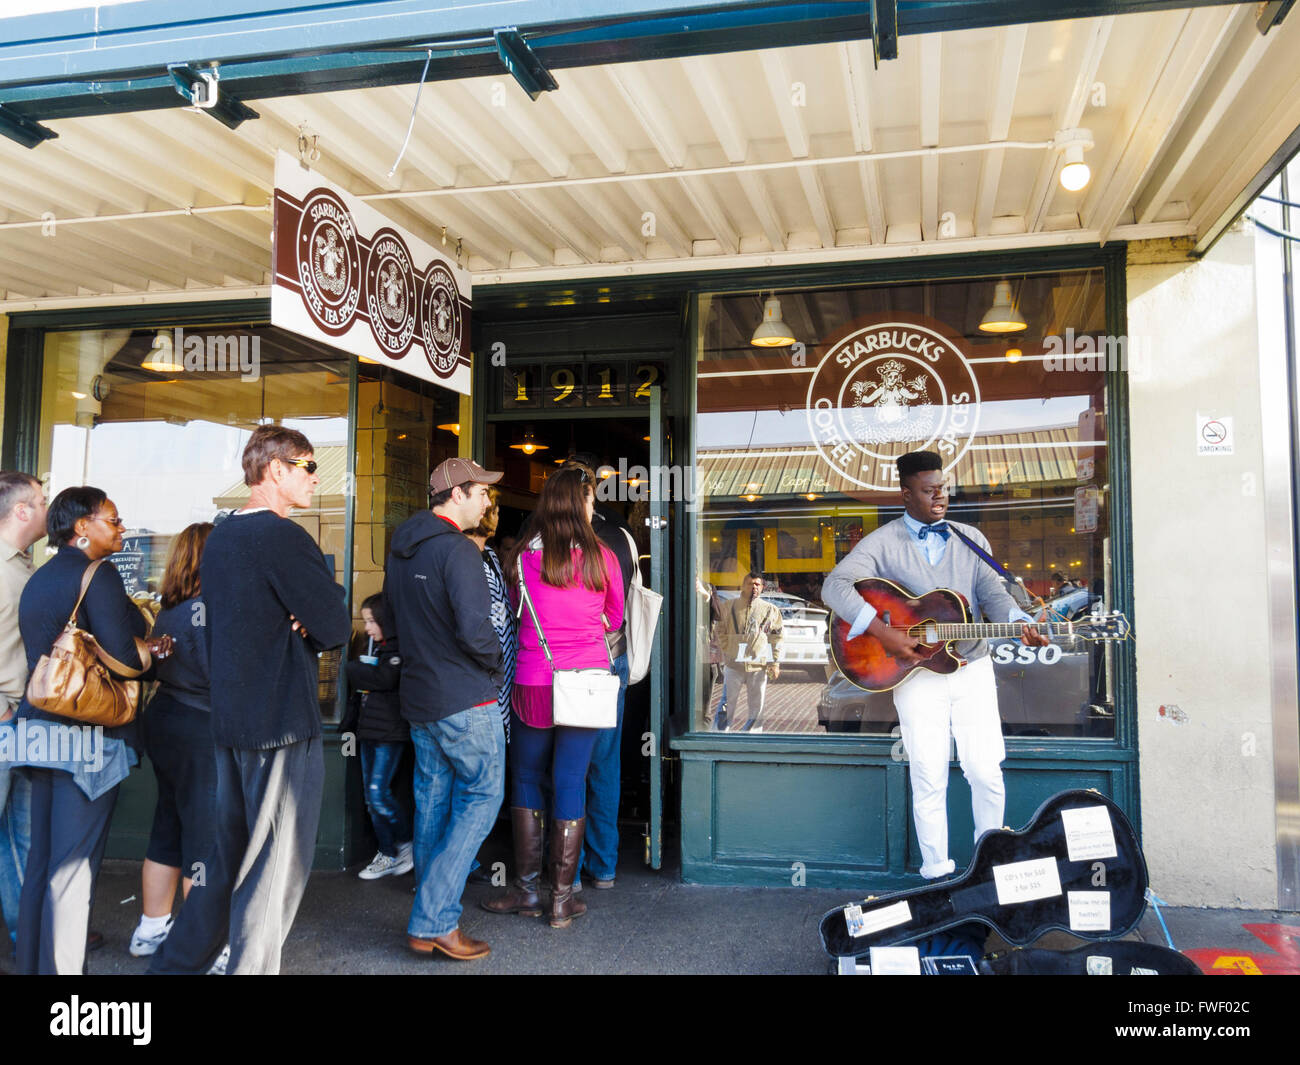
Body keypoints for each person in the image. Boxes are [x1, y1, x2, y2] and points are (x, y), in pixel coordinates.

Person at [150, 426, 351, 975]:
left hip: (231, 723)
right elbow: (334, 624)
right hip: (280, 725)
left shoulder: (221, 538)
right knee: (273, 872)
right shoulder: (283, 537)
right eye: (309, 467)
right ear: (276, 470)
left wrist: (297, 613)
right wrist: (305, 616)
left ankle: (172, 967)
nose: (316, 478)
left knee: (228, 860)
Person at [821, 450, 1047, 881]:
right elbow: (835, 586)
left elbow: (995, 597)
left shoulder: (970, 538)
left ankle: (991, 871)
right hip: (917, 676)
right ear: (906, 494)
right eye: (928, 491)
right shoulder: (882, 543)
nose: (939, 497)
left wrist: (1020, 623)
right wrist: (885, 633)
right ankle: (937, 875)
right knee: (929, 774)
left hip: (974, 669)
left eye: (942, 488)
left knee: (985, 770)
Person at [14, 486, 172, 974]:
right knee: (73, 871)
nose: (121, 528)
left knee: (43, 863)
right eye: (113, 519)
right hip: (88, 738)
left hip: (39, 731)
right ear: (82, 527)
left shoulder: (39, 576)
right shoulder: (97, 574)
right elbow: (124, 660)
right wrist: (155, 652)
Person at [483, 467, 624, 929]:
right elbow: (615, 617)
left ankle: (526, 891)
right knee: (570, 781)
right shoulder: (604, 557)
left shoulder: (523, 557)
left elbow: (515, 611)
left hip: (534, 680)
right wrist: (582, 633)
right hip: (584, 681)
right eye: (589, 499)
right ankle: (562, 900)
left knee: (526, 778)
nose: (592, 507)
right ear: (579, 504)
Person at [385, 457, 504, 961]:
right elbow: (476, 630)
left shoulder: (401, 547)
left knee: (432, 801)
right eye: (481, 492)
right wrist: (496, 665)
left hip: (419, 697)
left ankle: (427, 915)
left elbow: (391, 619)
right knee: (482, 795)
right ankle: (434, 919)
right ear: (456, 494)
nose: (487, 502)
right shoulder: (459, 552)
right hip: (464, 698)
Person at [128, 522, 215, 958]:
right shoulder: (209, 610)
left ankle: (151, 930)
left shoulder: (169, 609)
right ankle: (202, 944)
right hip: (201, 728)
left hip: (165, 721)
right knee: (204, 838)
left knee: (169, 826)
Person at [0, 472, 46, 954]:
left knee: (21, 840)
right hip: (5, 720)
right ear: (21, 512)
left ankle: (28, 935)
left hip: (23, 724)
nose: (48, 509)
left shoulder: (24, 566)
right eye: (42, 500)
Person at [346, 593, 413, 881]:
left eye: (372, 621)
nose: (368, 628)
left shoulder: (398, 649)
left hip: (389, 732)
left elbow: (384, 680)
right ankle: (387, 851)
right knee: (372, 798)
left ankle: (404, 843)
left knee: (377, 791)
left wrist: (350, 669)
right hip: (369, 729)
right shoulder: (376, 647)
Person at [716, 571, 783, 733]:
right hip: (733, 663)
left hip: (758, 665)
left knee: (756, 704)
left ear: (762, 587)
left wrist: (774, 662)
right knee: (727, 702)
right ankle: (719, 734)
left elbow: (776, 637)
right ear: (743, 586)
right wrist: (728, 649)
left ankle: (752, 735)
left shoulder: (770, 610)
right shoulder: (729, 606)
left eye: (757, 584)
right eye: (750, 583)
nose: (754, 587)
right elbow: (719, 630)